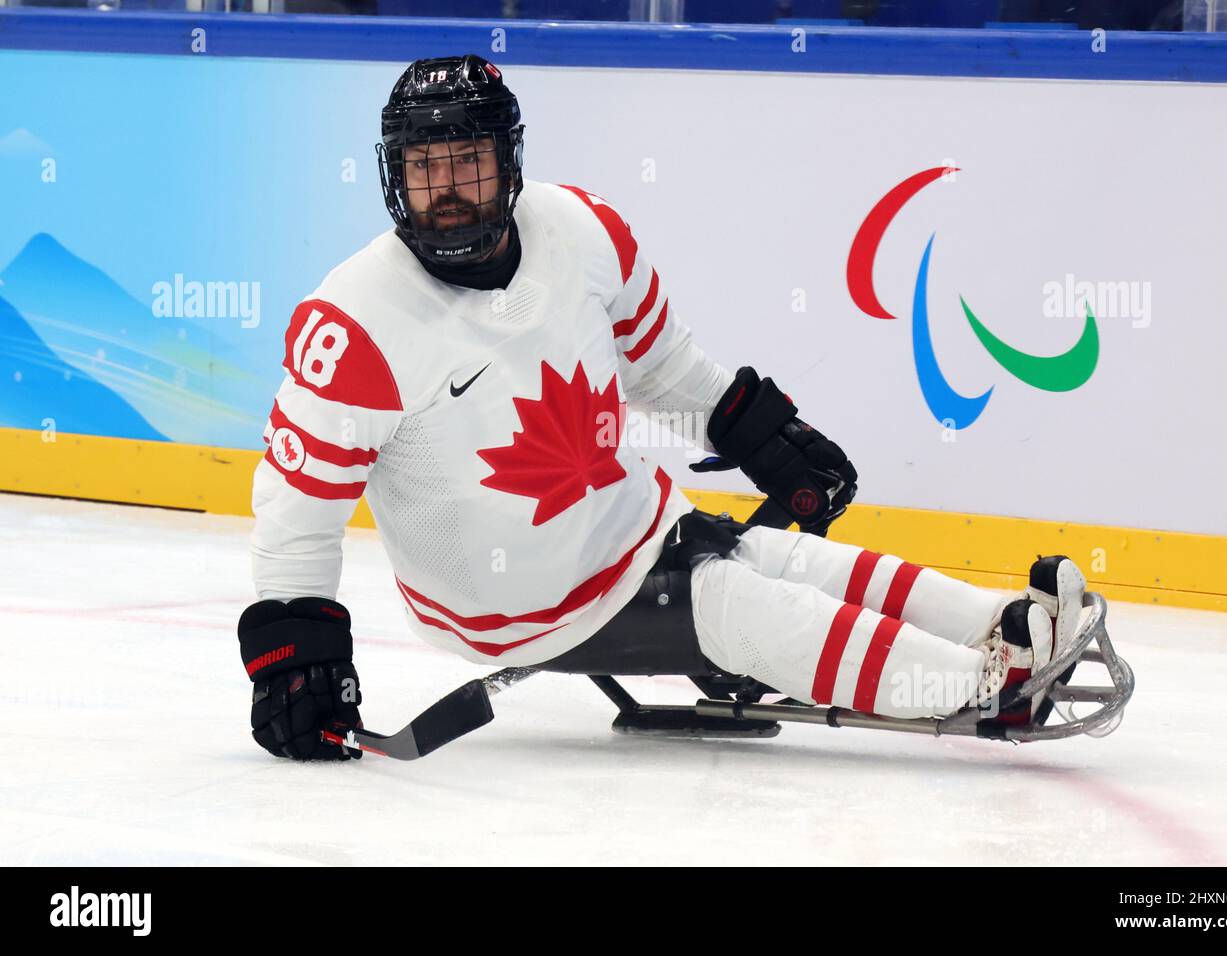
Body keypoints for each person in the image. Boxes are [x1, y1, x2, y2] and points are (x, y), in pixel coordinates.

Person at [236, 55, 1087, 760]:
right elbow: (297, 508)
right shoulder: (354, 324)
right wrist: (293, 661)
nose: (446, 188)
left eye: (467, 161)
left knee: (789, 566)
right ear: (396, 176)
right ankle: (986, 685)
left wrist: (757, 432)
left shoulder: (582, 229)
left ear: (509, 159)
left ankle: (1002, 624)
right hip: (515, 606)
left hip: (634, 526)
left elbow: (660, 365)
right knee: (747, 609)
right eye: (424, 168)